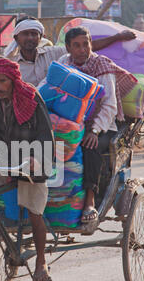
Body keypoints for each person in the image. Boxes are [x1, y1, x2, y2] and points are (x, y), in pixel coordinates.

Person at [0, 58, 55, 281]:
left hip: (32, 157)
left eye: (2, 81)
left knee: (34, 209)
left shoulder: (31, 96)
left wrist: (38, 158)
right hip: (5, 154)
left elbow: (46, 133)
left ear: (13, 80)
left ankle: (41, 264)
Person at [58, 26, 137, 223]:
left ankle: (90, 201)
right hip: (70, 124)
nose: (83, 49)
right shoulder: (62, 64)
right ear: (68, 48)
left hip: (101, 126)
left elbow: (109, 105)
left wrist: (94, 131)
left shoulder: (101, 65)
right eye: (76, 46)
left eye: (86, 44)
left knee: (88, 146)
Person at [5, 16, 136, 87]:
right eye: (26, 34)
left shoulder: (53, 53)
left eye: (34, 34)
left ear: (41, 37)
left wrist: (117, 37)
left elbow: (82, 48)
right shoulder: (10, 64)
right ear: (16, 37)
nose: (30, 38)